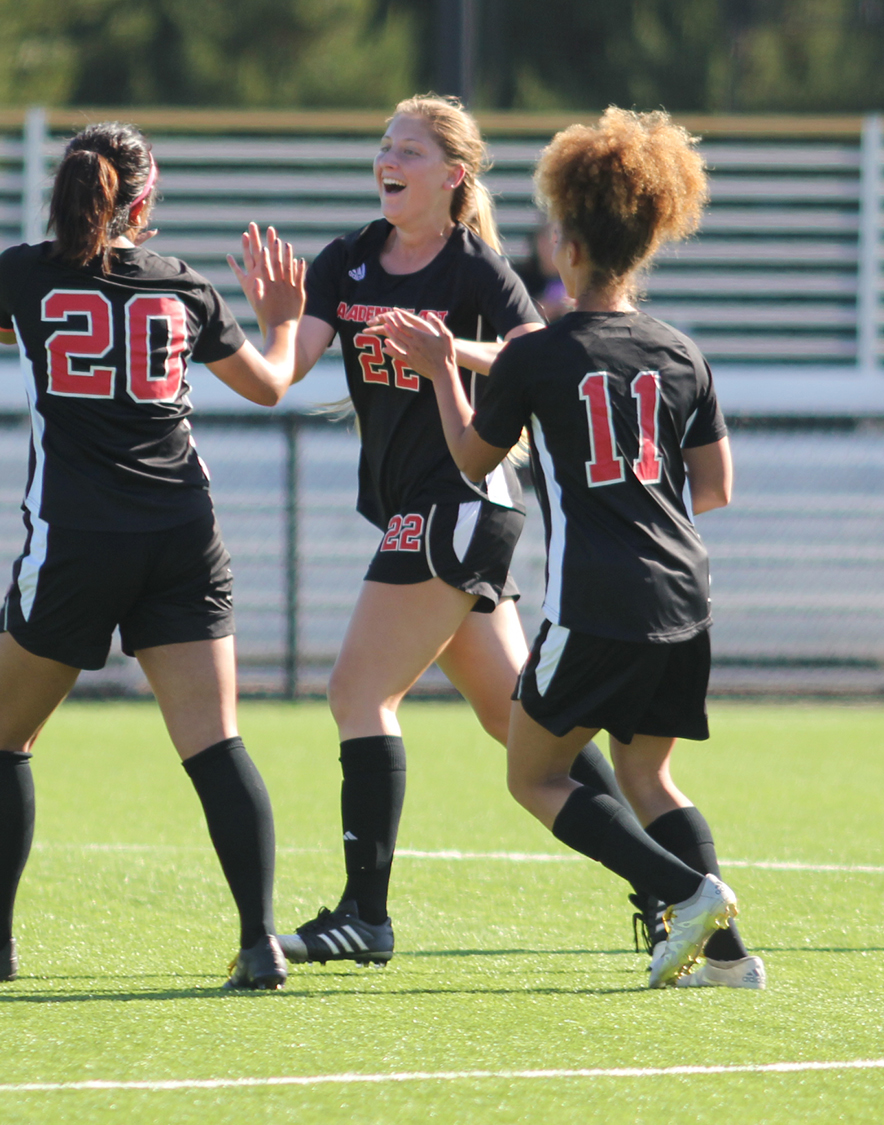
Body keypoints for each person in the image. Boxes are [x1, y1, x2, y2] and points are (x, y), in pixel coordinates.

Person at [0, 122, 308, 990]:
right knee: (215, 744)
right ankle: (259, 941)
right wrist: (285, 322)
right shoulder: (184, 285)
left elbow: (3, 331)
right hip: (183, 533)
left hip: (77, 539)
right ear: (143, 202)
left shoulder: (21, 273)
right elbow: (271, 385)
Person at [374, 107, 759, 989]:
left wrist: (439, 370)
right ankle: (728, 959)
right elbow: (715, 487)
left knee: (534, 774)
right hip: (685, 594)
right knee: (648, 775)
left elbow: (472, 460)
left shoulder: (540, 355)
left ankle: (686, 894)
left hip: (597, 598)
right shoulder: (680, 351)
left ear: (570, 250)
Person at [240, 94, 628, 969]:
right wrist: (274, 321)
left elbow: (542, 355)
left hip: (457, 498)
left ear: (453, 176)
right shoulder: (347, 260)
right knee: (523, 723)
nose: (388, 159)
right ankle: (668, 881)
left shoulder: (477, 270)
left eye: (408, 149)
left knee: (357, 691)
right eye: (384, 145)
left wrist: (448, 350)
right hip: (431, 510)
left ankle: (364, 913)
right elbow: (280, 376)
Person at [514, 221, 574, 321]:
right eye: (557, 241)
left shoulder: (578, 278)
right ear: (540, 242)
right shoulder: (519, 278)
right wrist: (536, 310)